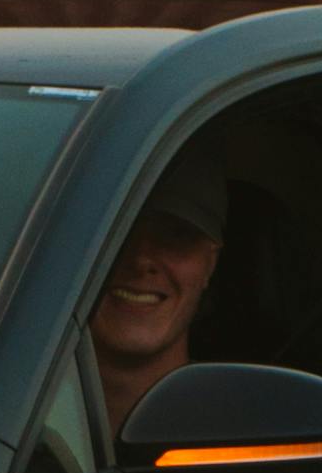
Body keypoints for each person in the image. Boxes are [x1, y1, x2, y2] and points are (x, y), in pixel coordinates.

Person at [89, 154, 229, 432]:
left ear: (209, 264)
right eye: (119, 231)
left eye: (174, 236)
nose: (141, 260)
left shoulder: (237, 440)